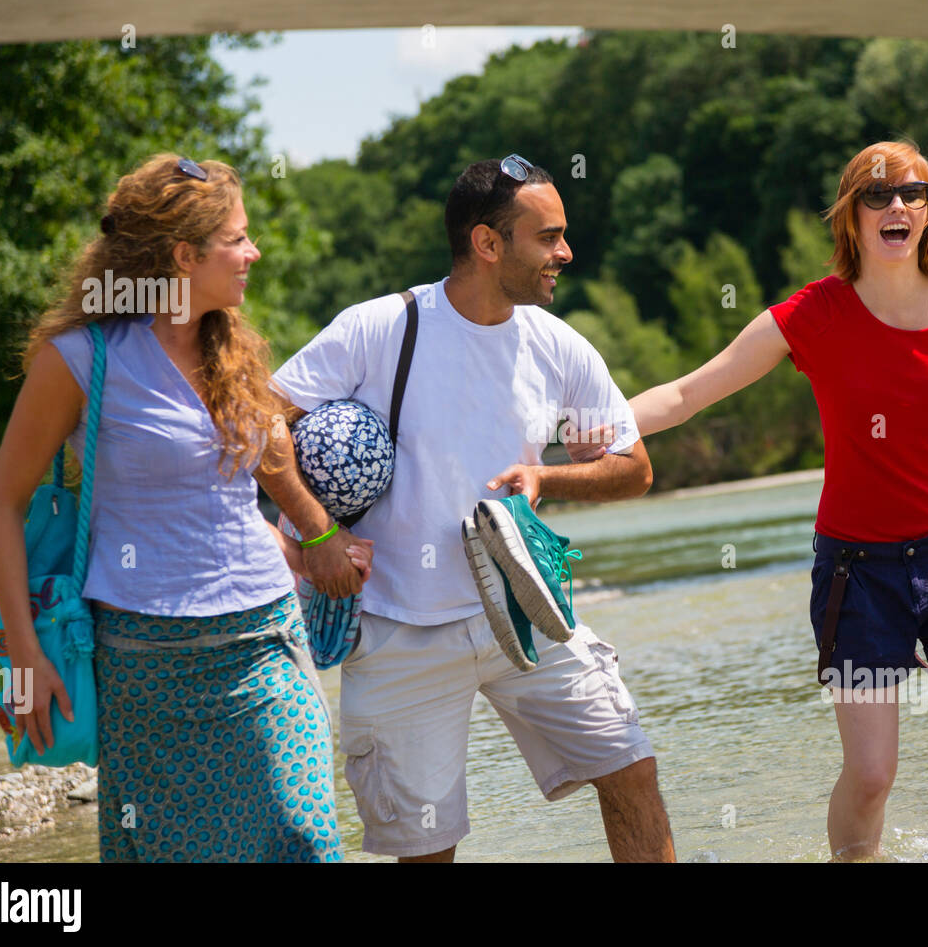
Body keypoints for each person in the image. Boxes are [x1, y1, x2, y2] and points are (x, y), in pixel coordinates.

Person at [580, 140, 928, 862]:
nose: (897, 206)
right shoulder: (813, 315)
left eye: (913, 193)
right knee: (874, 773)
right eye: (876, 197)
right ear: (851, 217)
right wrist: (603, 426)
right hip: (859, 573)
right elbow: (691, 391)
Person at [266, 155, 676, 862]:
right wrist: (317, 533)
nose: (565, 254)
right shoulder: (378, 328)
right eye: (548, 237)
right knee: (430, 849)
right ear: (488, 244)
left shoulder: (557, 346)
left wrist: (549, 479)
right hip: (398, 631)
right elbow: (263, 420)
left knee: (631, 768)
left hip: (528, 613)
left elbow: (633, 467)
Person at [0, 153, 367, 862]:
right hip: (144, 665)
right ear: (185, 255)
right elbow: (0, 505)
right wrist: (24, 655)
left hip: (265, 640)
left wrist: (316, 539)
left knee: (305, 838)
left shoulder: (237, 349)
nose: (254, 253)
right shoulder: (79, 359)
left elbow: (263, 471)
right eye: (238, 239)